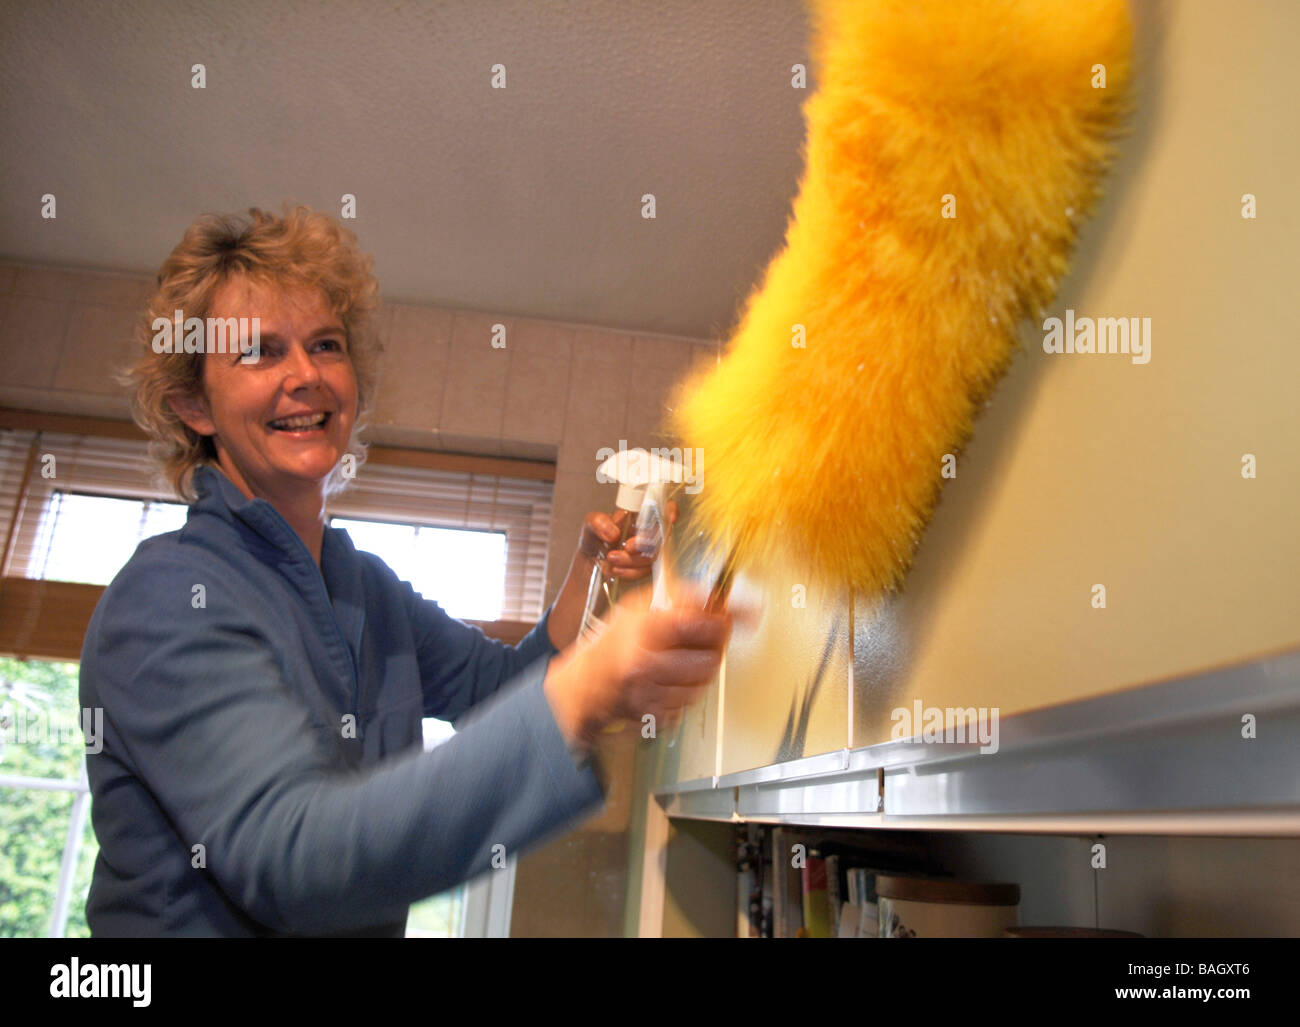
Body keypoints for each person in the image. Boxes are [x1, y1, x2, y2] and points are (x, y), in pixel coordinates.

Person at [78, 205, 731, 937]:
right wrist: (585, 690)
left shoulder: (366, 588)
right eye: (260, 352)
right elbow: (294, 856)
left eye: (325, 344)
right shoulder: (166, 596)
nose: (307, 376)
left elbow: (505, 690)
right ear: (195, 404)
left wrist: (588, 572)